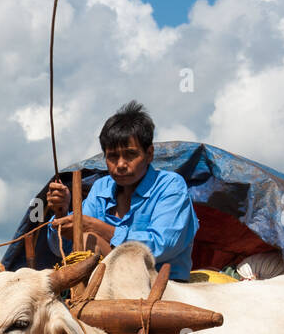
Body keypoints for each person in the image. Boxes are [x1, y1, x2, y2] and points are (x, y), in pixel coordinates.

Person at [39, 101, 199, 281]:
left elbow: (163, 245)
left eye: (130, 154)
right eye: (113, 157)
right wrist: (62, 212)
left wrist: (97, 227)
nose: (121, 164)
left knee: (88, 239)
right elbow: (65, 249)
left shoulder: (170, 185)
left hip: (163, 286)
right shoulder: (101, 188)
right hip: (104, 287)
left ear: (149, 154)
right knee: (84, 240)